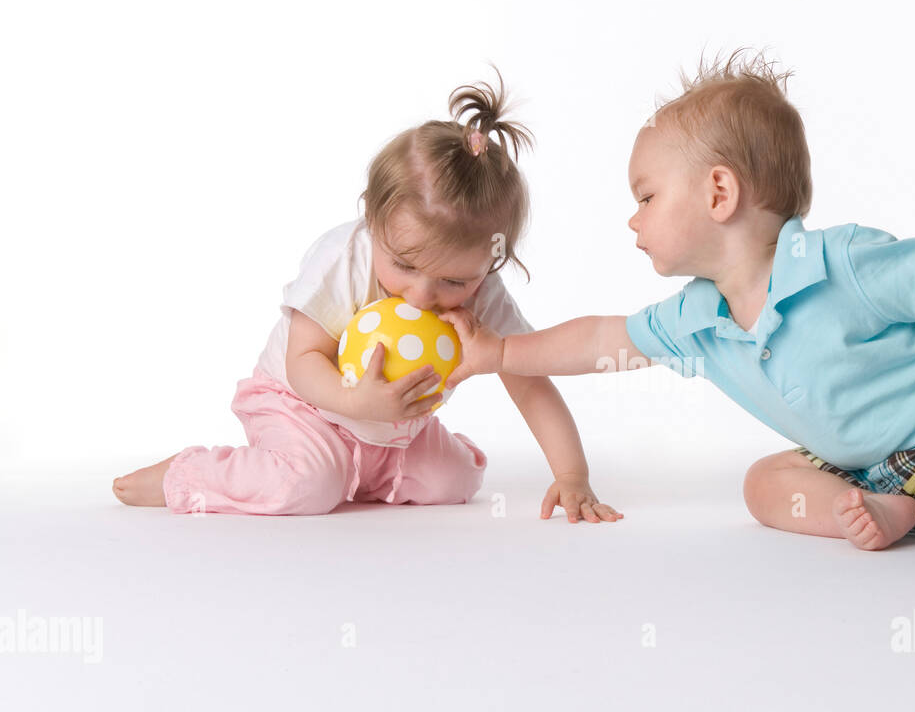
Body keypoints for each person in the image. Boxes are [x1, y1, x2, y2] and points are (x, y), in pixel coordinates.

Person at [441, 50, 915, 586]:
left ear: (719, 191)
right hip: (869, 471)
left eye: (647, 196)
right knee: (764, 485)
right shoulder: (697, 317)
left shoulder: (840, 262)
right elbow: (601, 338)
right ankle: (875, 511)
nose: (633, 219)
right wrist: (499, 354)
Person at [112, 70, 622, 524]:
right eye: (403, 265)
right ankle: (187, 477)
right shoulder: (344, 258)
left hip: (393, 425)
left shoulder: (485, 292)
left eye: (454, 282)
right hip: (303, 403)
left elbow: (529, 383)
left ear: (490, 261)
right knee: (305, 487)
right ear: (372, 222)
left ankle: (360, 473)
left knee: (455, 483)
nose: (422, 296)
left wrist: (573, 475)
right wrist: (355, 401)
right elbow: (302, 359)